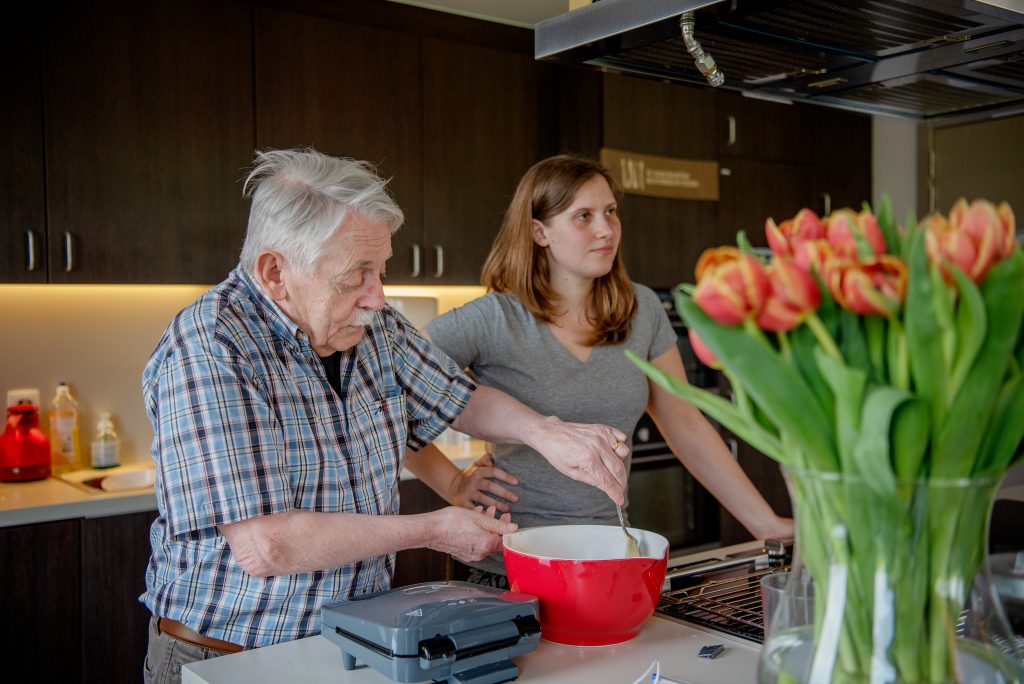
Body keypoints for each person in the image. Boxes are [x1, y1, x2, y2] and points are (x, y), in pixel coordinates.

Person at [140, 148, 632, 683]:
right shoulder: (210, 346)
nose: (378, 296)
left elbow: (459, 398)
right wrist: (432, 528)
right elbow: (267, 545)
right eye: (357, 274)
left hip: (348, 642)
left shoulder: (371, 327)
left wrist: (547, 433)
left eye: (382, 269)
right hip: (232, 656)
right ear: (276, 271)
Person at [419, 154, 794, 587]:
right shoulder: (494, 319)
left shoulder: (642, 310)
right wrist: (451, 484)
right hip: (509, 568)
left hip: (610, 557)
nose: (606, 229)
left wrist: (766, 524)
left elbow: (687, 427)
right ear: (540, 231)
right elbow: (388, 391)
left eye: (610, 212)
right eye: (583, 216)